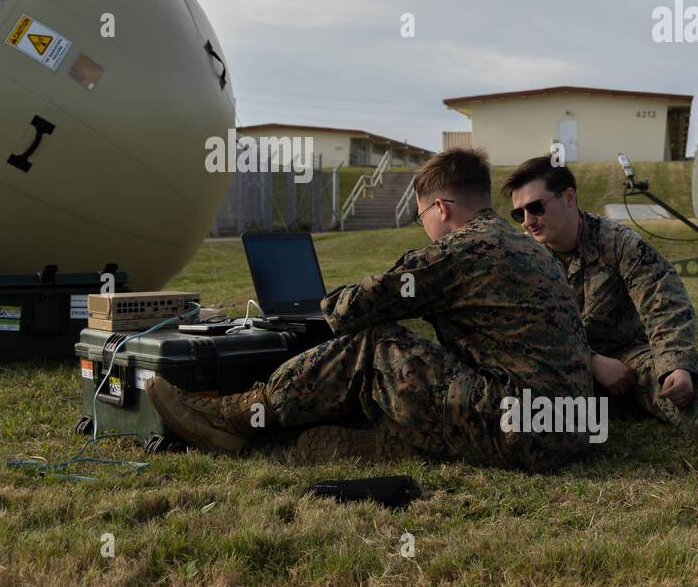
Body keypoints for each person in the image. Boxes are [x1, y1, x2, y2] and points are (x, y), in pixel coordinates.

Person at [145, 147, 597, 469]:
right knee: (414, 351)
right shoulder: (531, 247)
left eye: (422, 217)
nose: (425, 228)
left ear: (440, 207)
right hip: (573, 429)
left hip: (519, 429)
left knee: (374, 344)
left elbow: (351, 312)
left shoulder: (458, 252)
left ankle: (237, 417)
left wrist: (324, 301)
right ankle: (393, 441)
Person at [501, 155, 698, 454]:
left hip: (626, 359)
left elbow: (663, 301)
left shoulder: (617, 243)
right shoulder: (525, 261)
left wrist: (676, 365)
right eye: (518, 214)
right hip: (563, 366)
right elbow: (524, 333)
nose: (527, 221)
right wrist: (590, 360)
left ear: (569, 198)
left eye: (535, 207)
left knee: (661, 376)